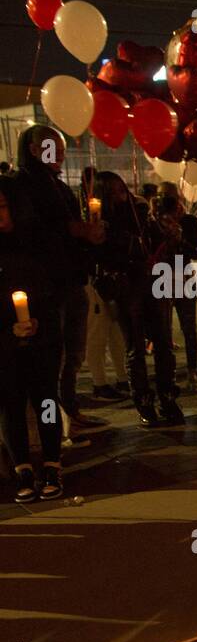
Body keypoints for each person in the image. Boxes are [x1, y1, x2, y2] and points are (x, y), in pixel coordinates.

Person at [15, 126, 106, 431]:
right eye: (53, 148)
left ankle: (70, 410)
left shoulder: (59, 185)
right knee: (51, 359)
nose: (60, 156)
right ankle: (51, 424)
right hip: (46, 287)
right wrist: (75, 230)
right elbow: (33, 233)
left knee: (74, 354)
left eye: (63, 150)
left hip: (71, 279)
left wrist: (89, 235)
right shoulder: (22, 185)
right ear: (32, 149)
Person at [93, 171, 182, 427]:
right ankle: (143, 400)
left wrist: (169, 234)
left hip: (152, 281)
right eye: (112, 192)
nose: (120, 196)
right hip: (127, 286)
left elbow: (157, 241)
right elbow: (103, 254)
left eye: (121, 190)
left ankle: (167, 396)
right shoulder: (102, 220)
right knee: (135, 348)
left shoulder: (139, 212)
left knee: (163, 342)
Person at [1, 175, 64, 501]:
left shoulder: (36, 243)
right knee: (11, 406)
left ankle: (52, 464)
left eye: (2, 207)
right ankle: (22, 468)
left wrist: (38, 321)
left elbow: (53, 291)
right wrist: (8, 330)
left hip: (41, 340)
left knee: (46, 402)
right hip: (5, 345)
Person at [152, 193, 197, 394]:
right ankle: (166, 376)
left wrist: (180, 239)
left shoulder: (190, 222)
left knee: (189, 327)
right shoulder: (154, 224)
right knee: (163, 330)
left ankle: (192, 373)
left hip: (184, 278)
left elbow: (196, 252)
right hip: (162, 278)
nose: (172, 218)